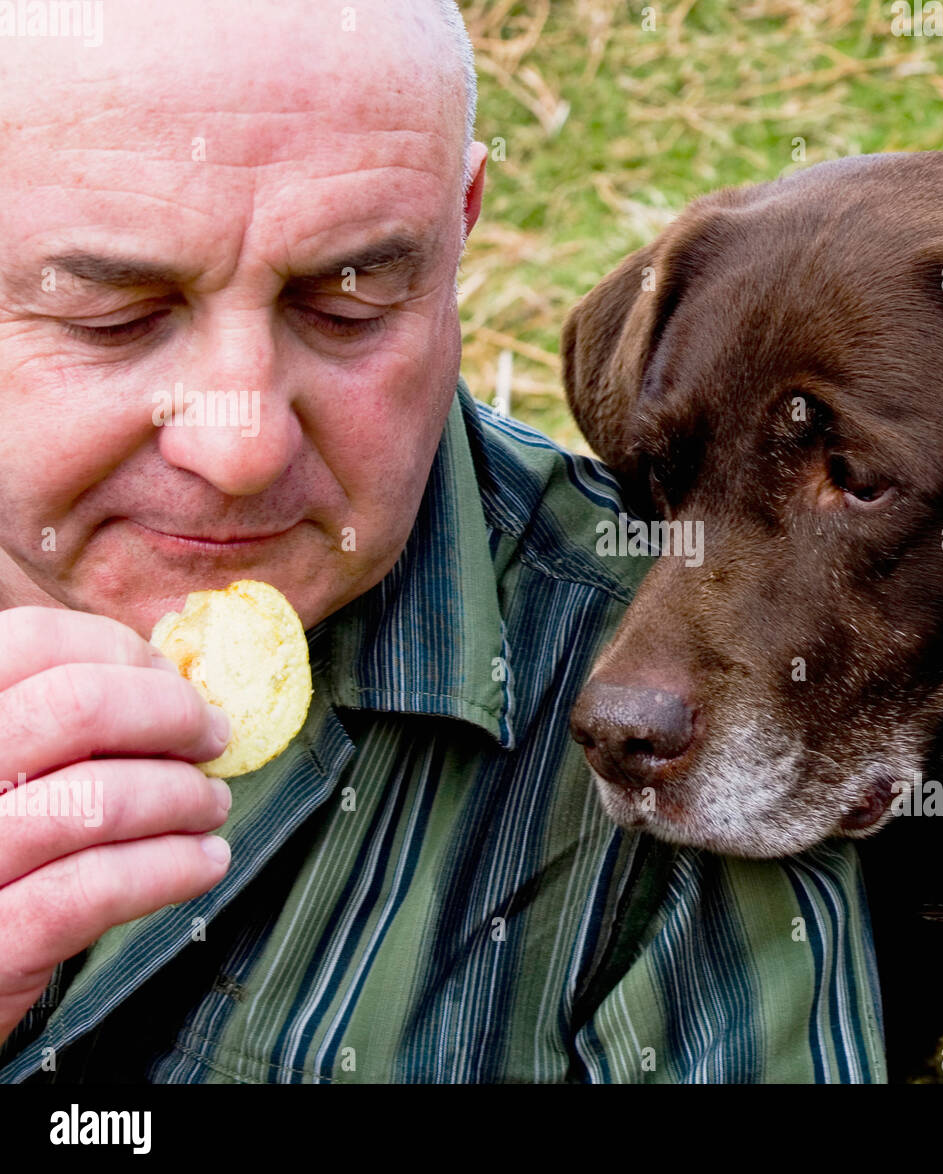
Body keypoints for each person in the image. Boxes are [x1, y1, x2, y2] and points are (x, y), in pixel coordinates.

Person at [0, 0, 886, 1082]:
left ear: (459, 223)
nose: (241, 449)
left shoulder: (662, 709)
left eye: (353, 297)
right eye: (114, 318)